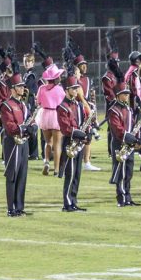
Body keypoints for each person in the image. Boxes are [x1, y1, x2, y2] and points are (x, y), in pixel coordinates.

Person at [0, 73, 32, 216]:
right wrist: (24, 128)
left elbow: (29, 119)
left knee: (22, 175)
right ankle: (11, 208)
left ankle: (19, 207)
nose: (22, 88)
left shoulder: (23, 105)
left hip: (24, 143)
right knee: (12, 175)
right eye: (19, 86)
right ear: (12, 88)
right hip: (12, 143)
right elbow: (10, 127)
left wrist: (33, 127)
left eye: (23, 86)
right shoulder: (6, 105)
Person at [56, 76, 90, 212]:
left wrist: (87, 132)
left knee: (77, 174)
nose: (76, 90)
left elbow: (84, 121)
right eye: (73, 88)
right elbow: (65, 128)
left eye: (77, 88)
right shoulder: (62, 107)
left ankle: (74, 201)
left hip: (79, 143)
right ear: (66, 90)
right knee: (70, 174)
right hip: (70, 142)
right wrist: (78, 133)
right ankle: (67, 203)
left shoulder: (78, 105)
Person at [108, 84, 140, 206]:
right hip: (119, 144)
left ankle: (128, 197)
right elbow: (117, 129)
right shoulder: (113, 110)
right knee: (120, 172)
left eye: (127, 94)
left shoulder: (129, 109)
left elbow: (133, 125)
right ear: (118, 95)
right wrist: (130, 138)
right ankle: (121, 198)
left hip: (130, 144)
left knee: (128, 172)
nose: (127, 96)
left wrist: (137, 140)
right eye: (124, 94)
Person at [35, 60, 64, 175]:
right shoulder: (60, 89)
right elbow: (63, 104)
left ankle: (46, 162)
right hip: (56, 115)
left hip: (44, 114)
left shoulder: (42, 88)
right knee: (57, 145)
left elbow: (38, 102)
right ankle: (56, 170)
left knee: (48, 142)